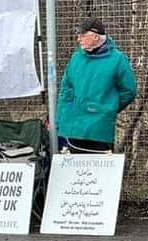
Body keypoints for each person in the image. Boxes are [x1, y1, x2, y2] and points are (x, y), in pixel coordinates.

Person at [57, 18, 138, 153]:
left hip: (100, 128)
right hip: (74, 127)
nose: (79, 39)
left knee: (100, 170)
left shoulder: (117, 59)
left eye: (82, 35)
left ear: (95, 36)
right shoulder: (76, 58)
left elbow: (129, 91)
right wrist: (64, 116)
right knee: (75, 171)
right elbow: (66, 89)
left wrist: (108, 107)